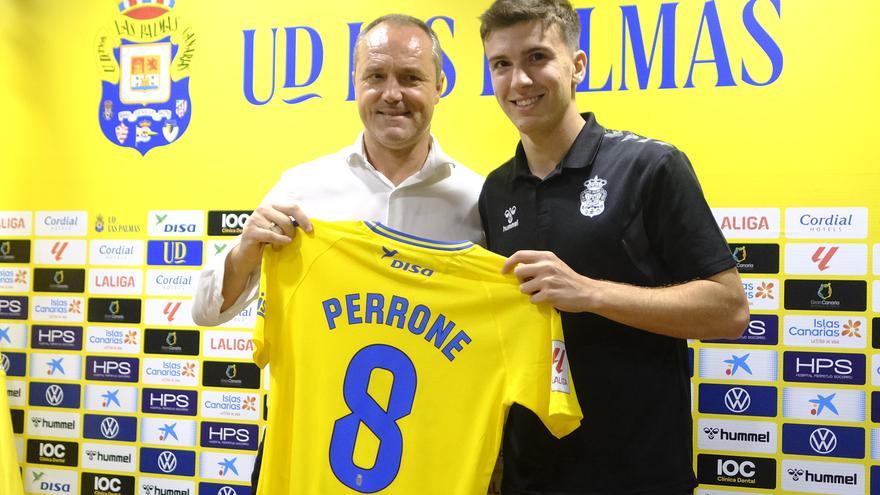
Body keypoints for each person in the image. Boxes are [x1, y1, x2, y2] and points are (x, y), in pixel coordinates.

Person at [192, 14, 484, 490]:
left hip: (429, 457)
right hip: (307, 449)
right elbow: (205, 312)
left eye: (411, 78)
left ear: (440, 86)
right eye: (376, 76)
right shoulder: (302, 187)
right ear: (355, 84)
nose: (393, 93)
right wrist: (246, 250)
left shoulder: (479, 201)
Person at [477, 1, 750, 494]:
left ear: (577, 65)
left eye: (537, 57)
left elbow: (729, 310)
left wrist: (591, 293)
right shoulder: (495, 190)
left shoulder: (651, 166)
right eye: (502, 64)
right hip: (530, 476)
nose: (518, 81)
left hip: (638, 474)